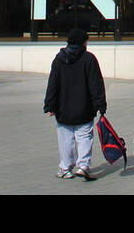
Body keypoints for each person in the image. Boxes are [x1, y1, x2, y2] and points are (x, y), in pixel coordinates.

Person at [43, 28, 107, 180]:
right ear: (83, 42)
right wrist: (100, 104)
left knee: (66, 139)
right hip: (84, 107)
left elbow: (53, 84)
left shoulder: (59, 59)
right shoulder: (89, 59)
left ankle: (66, 167)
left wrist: (49, 106)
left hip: (63, 108)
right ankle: (83, 166)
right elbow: (96, 84)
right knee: (85, 137)